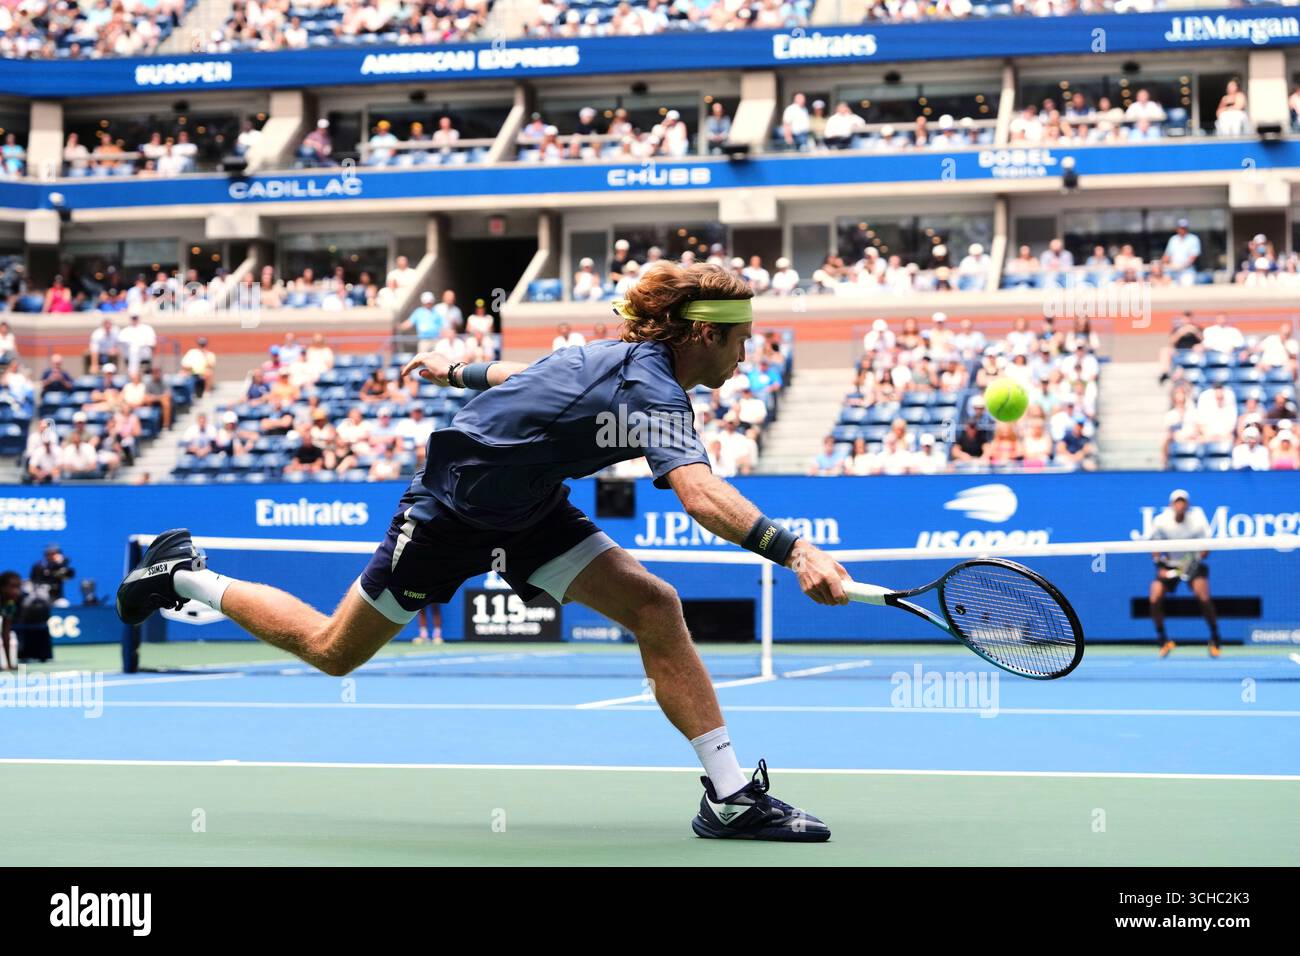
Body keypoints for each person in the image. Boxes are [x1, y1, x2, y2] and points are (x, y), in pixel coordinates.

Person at [118, 262, 843, 842]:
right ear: (700, 335)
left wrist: (455, 371)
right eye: (741, 336)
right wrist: (795, 549)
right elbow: (699, 494)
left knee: (655, 605)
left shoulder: (614, 362)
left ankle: (730, 797)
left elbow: (519, 381)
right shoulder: (649, 387)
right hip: (449, 514)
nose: (749, 350)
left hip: (530, 512)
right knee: (332, 650)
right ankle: (185, 573)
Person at [1148, 489, 1220, 658]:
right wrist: (1160, 566)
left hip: (1193, 565)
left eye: (1183, 501)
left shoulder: (1198, 520)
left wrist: (1192, 562)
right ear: (1171, 505)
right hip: (1170, 565)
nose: (1180, 505)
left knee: (1203, 598)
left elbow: (1206, 548)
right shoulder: (1161, 521)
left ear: (1187, 504)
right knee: (1154, 598)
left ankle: (1215, 637)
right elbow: (1154, 547)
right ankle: (1163, 640)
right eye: (1177, 501)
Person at [0, 570, 20, 671]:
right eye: (12, 587)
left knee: (11, 637)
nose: (16, 591)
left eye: (18, 587)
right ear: (2, 588)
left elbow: (5, 634)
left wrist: (9, 665)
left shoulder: (10, 604)